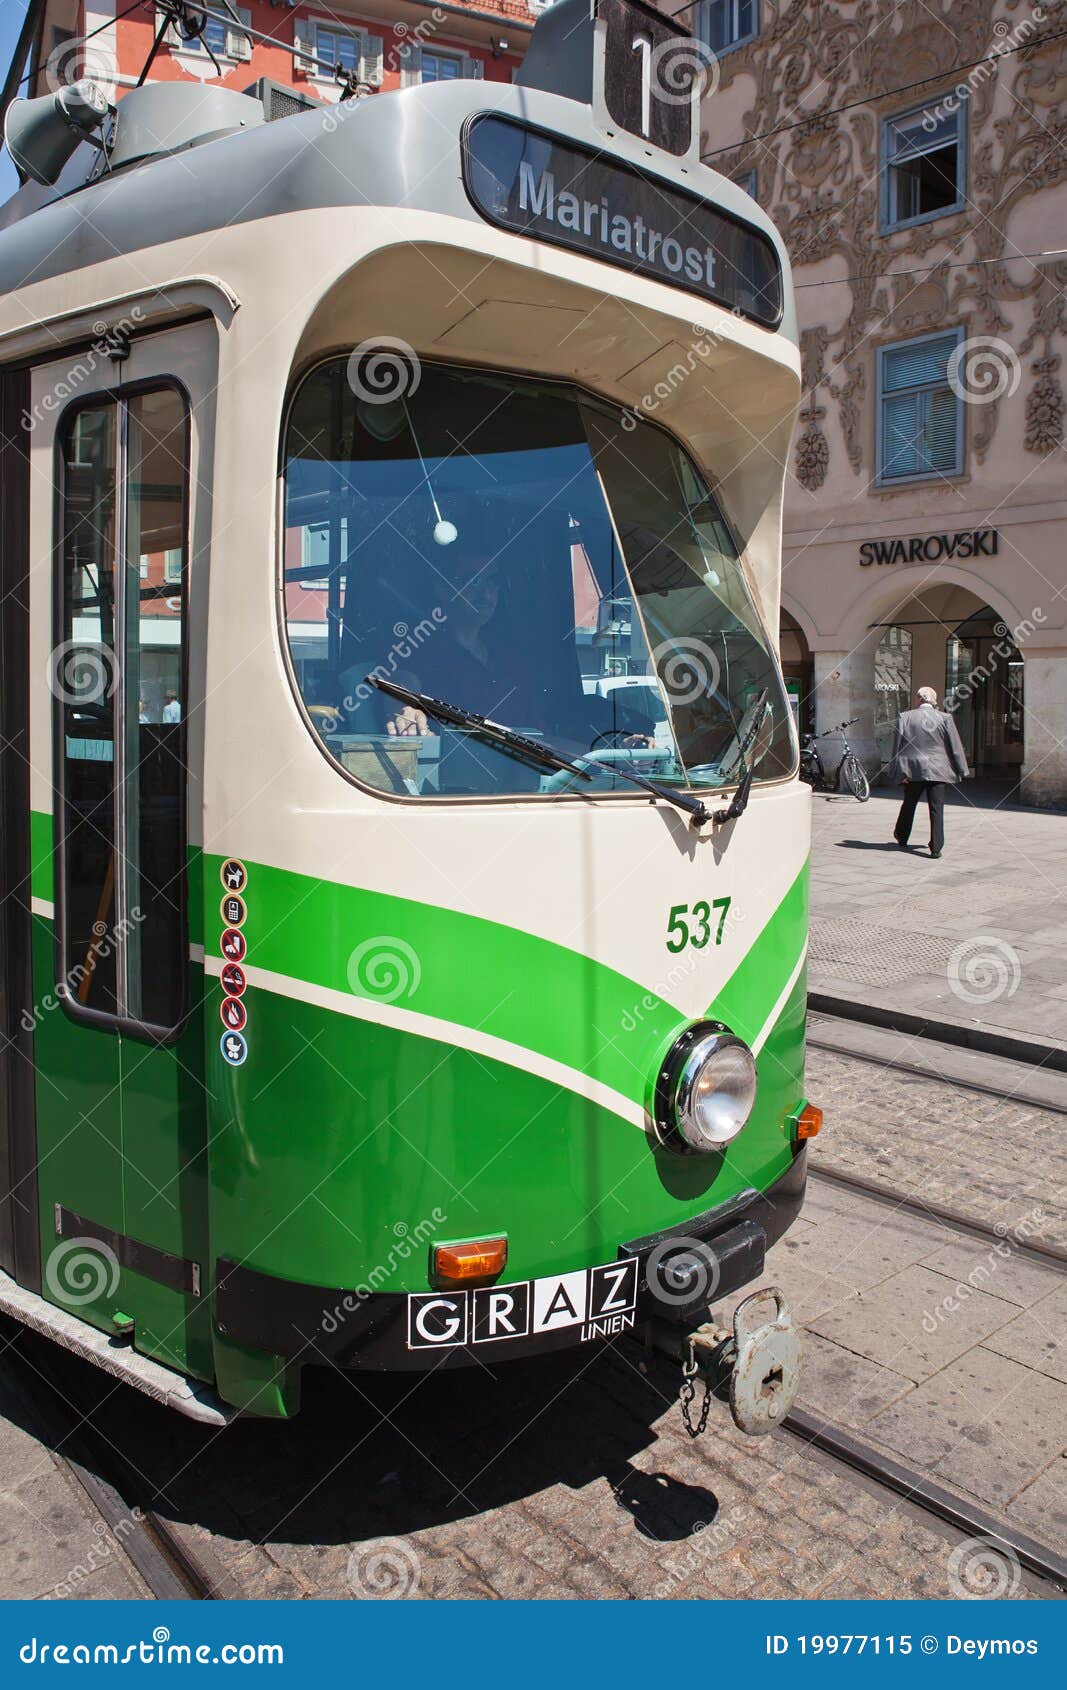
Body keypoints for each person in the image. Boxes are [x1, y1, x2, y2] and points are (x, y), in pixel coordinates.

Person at [891, 686, 969, 859]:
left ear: (919, 699)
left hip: (913, 770)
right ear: (934, 701)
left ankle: (901, 836)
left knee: (909, 804)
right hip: (938, 769)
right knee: (936, 808)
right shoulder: (945, 718)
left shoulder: (905, 717)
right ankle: (936, 847)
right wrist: (962, 768)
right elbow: (955, 746)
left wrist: (896, 771)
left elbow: (897, 747)